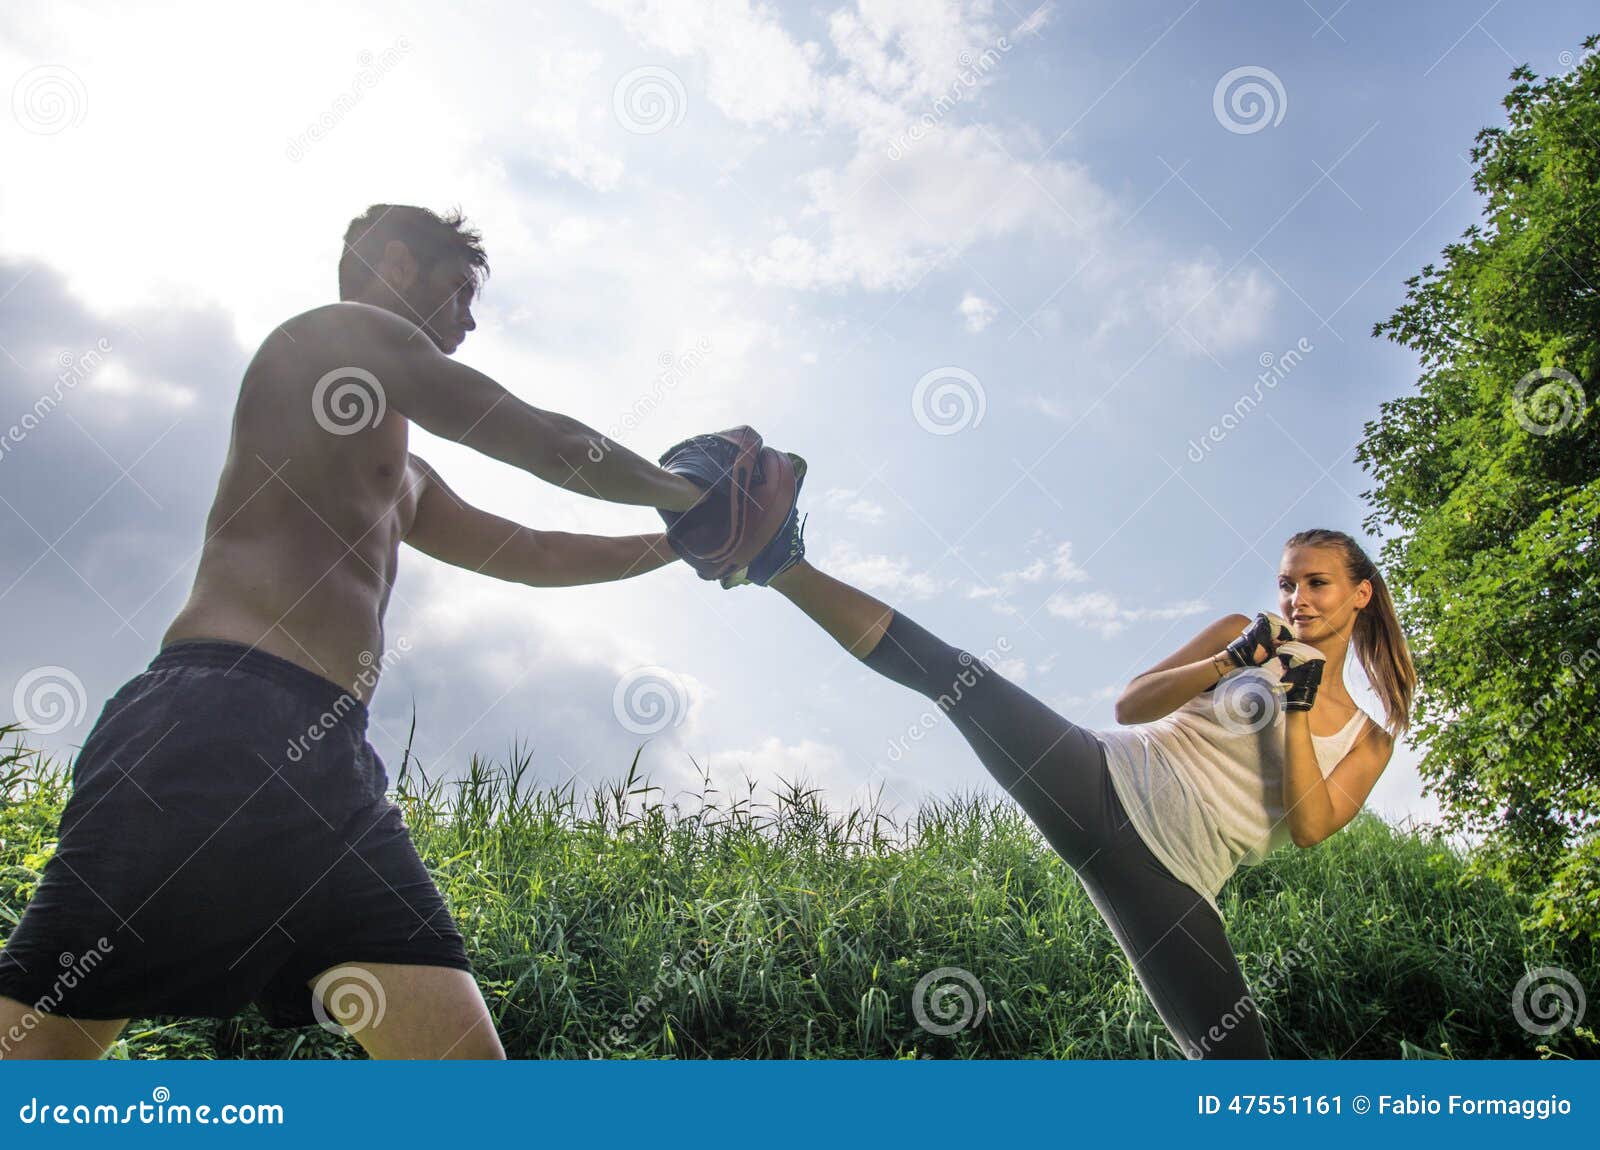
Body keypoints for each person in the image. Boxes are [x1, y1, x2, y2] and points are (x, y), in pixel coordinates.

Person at [0, 204, 711, 1060]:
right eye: (459, 290)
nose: (470, 319)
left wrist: (679, 548)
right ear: (398, 266)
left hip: (331, 765)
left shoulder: (405, 473)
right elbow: (539, 437)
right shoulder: (331, 337)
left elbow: (529, 552)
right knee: (34, 1070)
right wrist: (692, 494)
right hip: (216, 722)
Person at [728, 475, 1417, 1059]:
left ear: (1359, 594)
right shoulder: (1245, 633)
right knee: (959, 677)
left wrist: (1297, 705)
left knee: (1241, 1070)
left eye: (1318, 584)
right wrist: (1232, 659)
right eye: (1288, 582)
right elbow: (1129, 705)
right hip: (1098, 781)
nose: (1298, 599)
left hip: (1172, 887)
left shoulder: (1369, 739)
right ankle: (778, 562)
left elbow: (1310, 826)